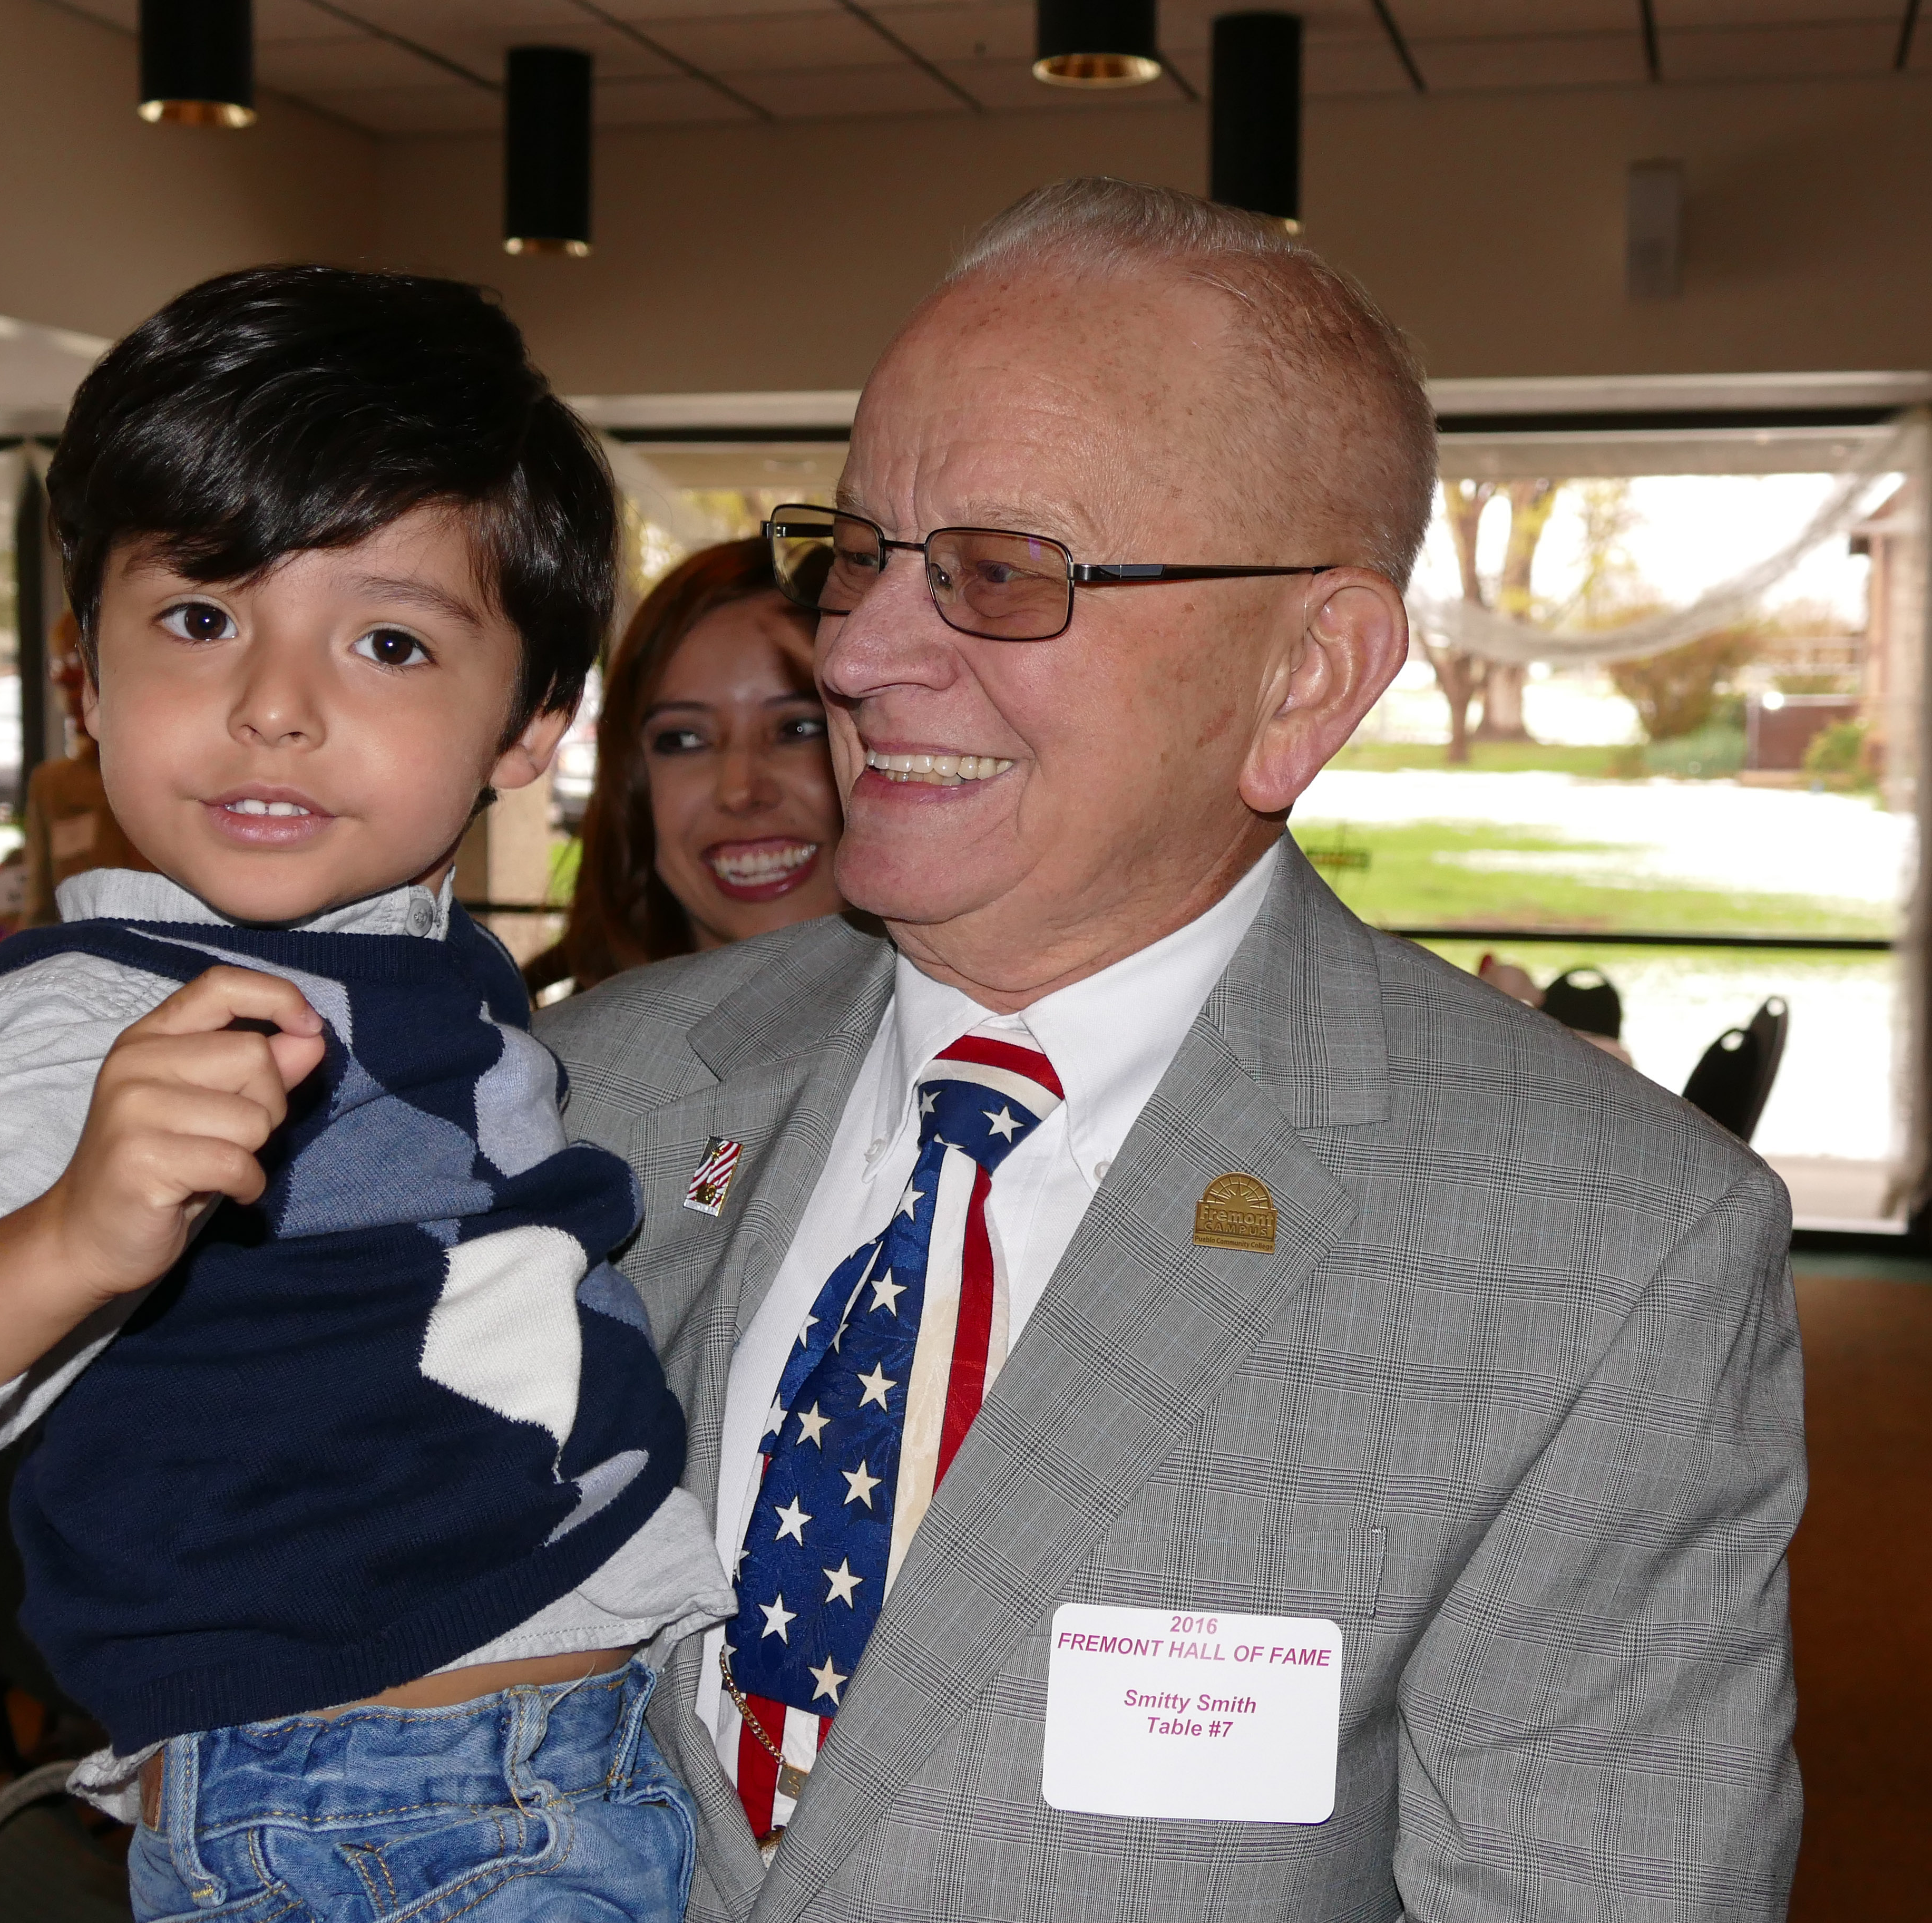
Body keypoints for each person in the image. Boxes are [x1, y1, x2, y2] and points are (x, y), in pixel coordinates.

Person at [536, 180, 1803, 1921]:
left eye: (996, 572)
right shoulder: (596, 1090)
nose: (857, 649)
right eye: (851, 548)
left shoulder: (1596, 1253)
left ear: (1304, 671)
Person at [0, 266, 730, 1923]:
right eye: (200, 618)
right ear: (81, 679)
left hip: (576, 1765)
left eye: (386, 639)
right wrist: (71, 1232)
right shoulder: (103, 1023)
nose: (272, 705)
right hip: (386, 1824)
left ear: (528, 727)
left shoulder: (428, 967)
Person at [533, 538, 845, 993]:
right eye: (684, 739)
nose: (740, 791)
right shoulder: (538, 1058)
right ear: (632, 784)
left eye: (798, 728)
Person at [19, 608, 152, 927]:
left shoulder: (184, 776)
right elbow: (41, 916)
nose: (61, 677)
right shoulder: (53, 786)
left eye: (78, 661)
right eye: (60, 663)